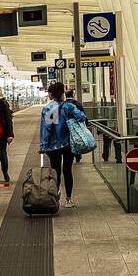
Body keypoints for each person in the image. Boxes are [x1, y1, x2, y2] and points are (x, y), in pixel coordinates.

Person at [40, 80, 88, 208]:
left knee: (55, 171)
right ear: (62, 94)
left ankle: (55, 197)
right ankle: (68, 199)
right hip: (68, 143)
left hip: (54, 145)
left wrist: (43, 146)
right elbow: (82, 117)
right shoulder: (69, 106)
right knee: (68, 170)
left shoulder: (49, 109)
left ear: (51, 95)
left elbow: (47, 129)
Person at [65, 89, 86, 163]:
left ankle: (70, 154)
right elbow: (83, 116)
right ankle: (77, 155)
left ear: (65, 95)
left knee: (69, 141)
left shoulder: (63, 105)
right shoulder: (77, 104)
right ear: (73, 95)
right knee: (77, 140)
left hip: (66, 128)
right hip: (77, 127)